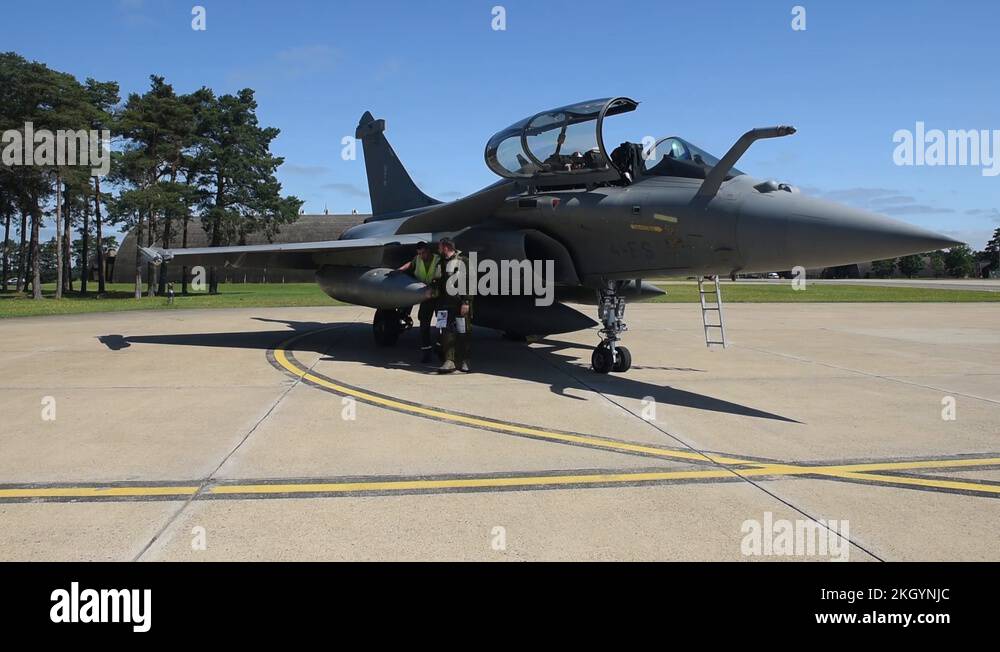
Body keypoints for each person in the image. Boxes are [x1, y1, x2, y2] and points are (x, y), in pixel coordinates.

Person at [432, 238, 472, 373]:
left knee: (463, 332)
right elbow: (438, 282)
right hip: (444, 303)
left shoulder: (464, 261)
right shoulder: (441, 262)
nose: (438, 249)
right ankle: (449, 361)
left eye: (440, 247)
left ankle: (464, 360)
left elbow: (470, 283)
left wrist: (466, 302)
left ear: (445, 247)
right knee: (445, 332)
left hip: (459, 304)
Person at [397, 242, 440, 363]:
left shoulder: (438, 259)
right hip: (426, 297)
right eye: (419, 253)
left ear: (428, 250)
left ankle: (441, 348)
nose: (421, 256)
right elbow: (411, 264)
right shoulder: (418, 259)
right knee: (424, 323)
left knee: (443, 324)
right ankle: (426, 352)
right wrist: (399, 270)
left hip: (439, 296)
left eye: (423, 253)